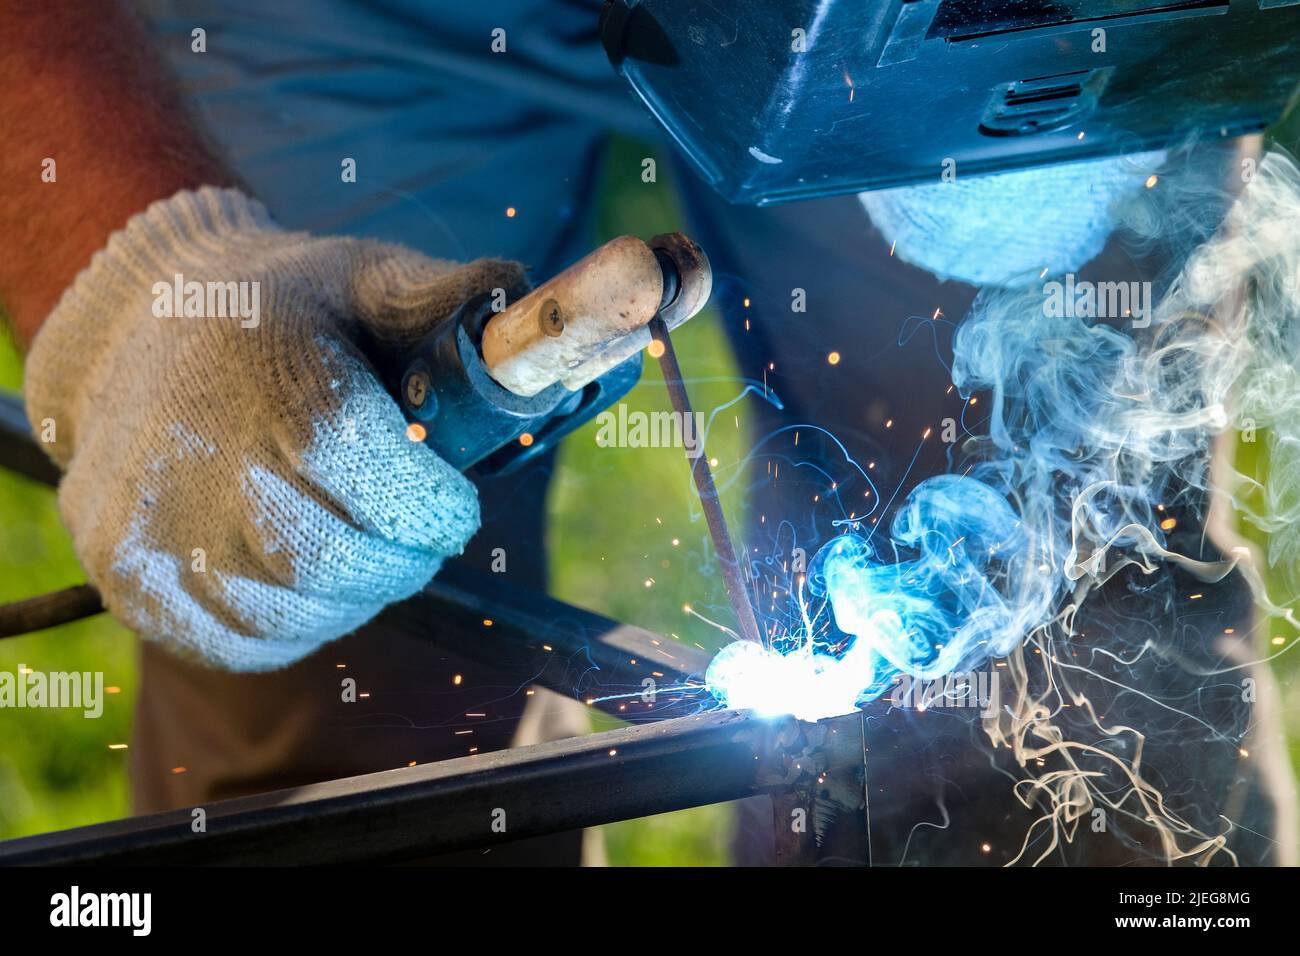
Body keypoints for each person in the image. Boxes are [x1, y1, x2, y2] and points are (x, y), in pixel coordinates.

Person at [2, 0, 1287, 864]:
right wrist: (137, 288)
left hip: (878, 26)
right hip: (343, 16)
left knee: (1046, 607)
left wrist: (1070, 53)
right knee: (303, 539)